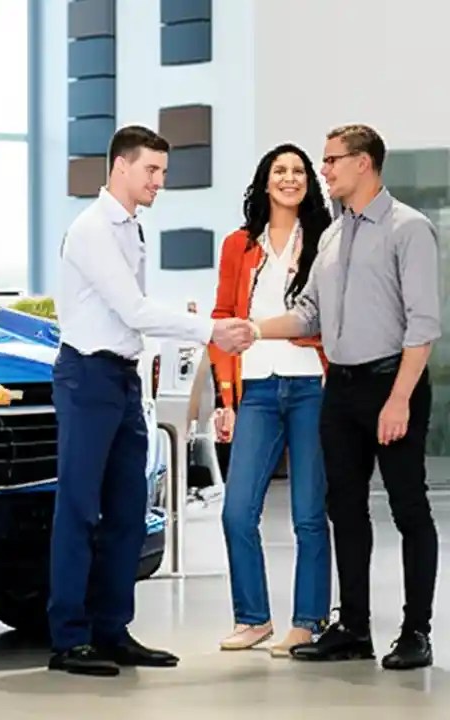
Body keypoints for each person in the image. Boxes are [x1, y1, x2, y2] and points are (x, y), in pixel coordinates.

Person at [49, 124, 256, 676]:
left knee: (126, 508)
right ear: (120, 166)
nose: (160, 182)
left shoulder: (130, 228)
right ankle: (69, 638)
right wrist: (210, 329)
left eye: (162, 171)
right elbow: (133, 310)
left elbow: (135, 315)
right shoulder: (92, 229)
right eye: (152, 171)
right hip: (87, 377)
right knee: (77, 507)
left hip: (121, 377)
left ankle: (112, 629)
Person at [254, 123, 440, 670]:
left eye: (332, 160)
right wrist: (253, 328)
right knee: (345, 510)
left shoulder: (410, 229)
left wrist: (400, 398)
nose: (324, 169)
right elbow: (309, 313)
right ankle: (354, 628)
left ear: (365, 164)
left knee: (409, 509)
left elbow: (423, 323)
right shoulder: (332, 236)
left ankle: (416, 632)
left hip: (393, 383)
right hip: (340, 387)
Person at [208, 143, 334, 655]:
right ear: (265, 181)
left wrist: (307, 340)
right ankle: (253, 617)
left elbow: (333, 314)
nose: (289, 178)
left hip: (312, 389)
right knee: (237, 510)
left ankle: (308, 621)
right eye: (280, 170)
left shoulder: (327, 240)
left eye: (298, 171)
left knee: (308, 514)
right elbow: (220, 321)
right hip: (255, 390)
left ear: (309, 182)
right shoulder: (239, 245)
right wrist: (225, 398)